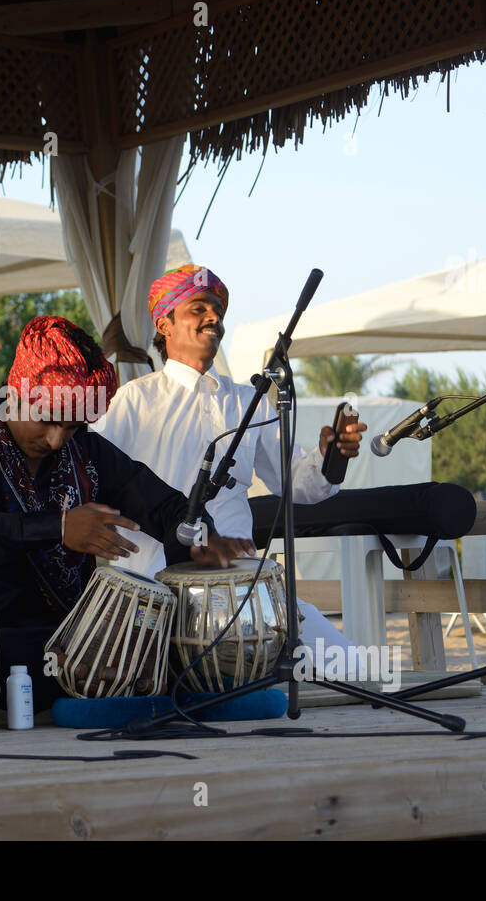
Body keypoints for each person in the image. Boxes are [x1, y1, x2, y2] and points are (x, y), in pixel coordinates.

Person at [0, 315, 247, 708]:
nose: (57, 439)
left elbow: (162, 503)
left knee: (166, 648)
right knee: (111, 664)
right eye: (47, 421)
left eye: (71, 426)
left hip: (73, 640)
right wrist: (55, 528)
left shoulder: (85, 451)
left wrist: (198, 537)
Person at [90, 264, 367, 650]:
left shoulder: (246, 401)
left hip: (242, 592)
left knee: (348, 664)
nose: (214, 317)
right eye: (198, 308)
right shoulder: (134, 400)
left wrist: (328, 457)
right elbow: (88, 476)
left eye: (217, 310)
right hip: (154, 594)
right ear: (164, 325)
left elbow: (299, 485)